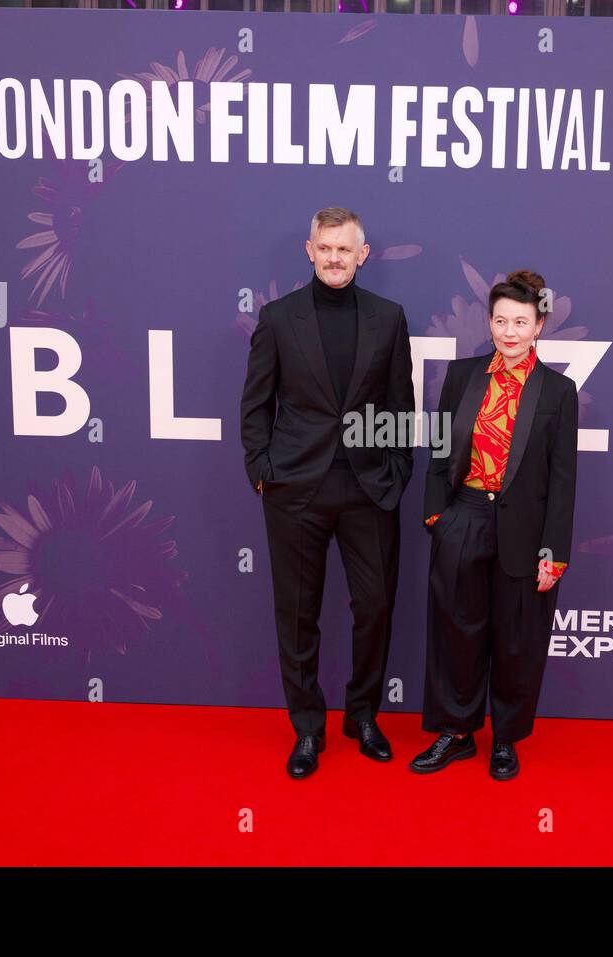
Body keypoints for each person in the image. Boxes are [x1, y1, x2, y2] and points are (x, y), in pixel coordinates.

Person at [240, 206, 415, 779]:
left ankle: (363, 715)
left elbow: (398, 405)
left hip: (368, 488)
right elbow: (256, 404)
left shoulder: (389, 319)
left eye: (346, 249)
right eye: (326, 247)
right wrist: (263, 469)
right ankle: (308, 729)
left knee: (376, 606)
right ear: (309, 250)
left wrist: (396, 471)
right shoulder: (277, 318)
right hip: (295, 490)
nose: (335, 257)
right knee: (297, 616)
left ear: (363, 255)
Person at [411, 269, 578, 781]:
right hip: (463, 518)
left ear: (539, 325)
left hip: (525, 535)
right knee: (456, 632)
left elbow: (564, 478)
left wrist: (555, 551)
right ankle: (457, 732)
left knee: (516, 639)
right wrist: (438, 515)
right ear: (489, 321)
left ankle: (504, 738)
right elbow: (441, 451)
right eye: (501, 320)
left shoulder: (558, 390)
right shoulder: (462, 377)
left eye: (520, 322)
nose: (509, 332)